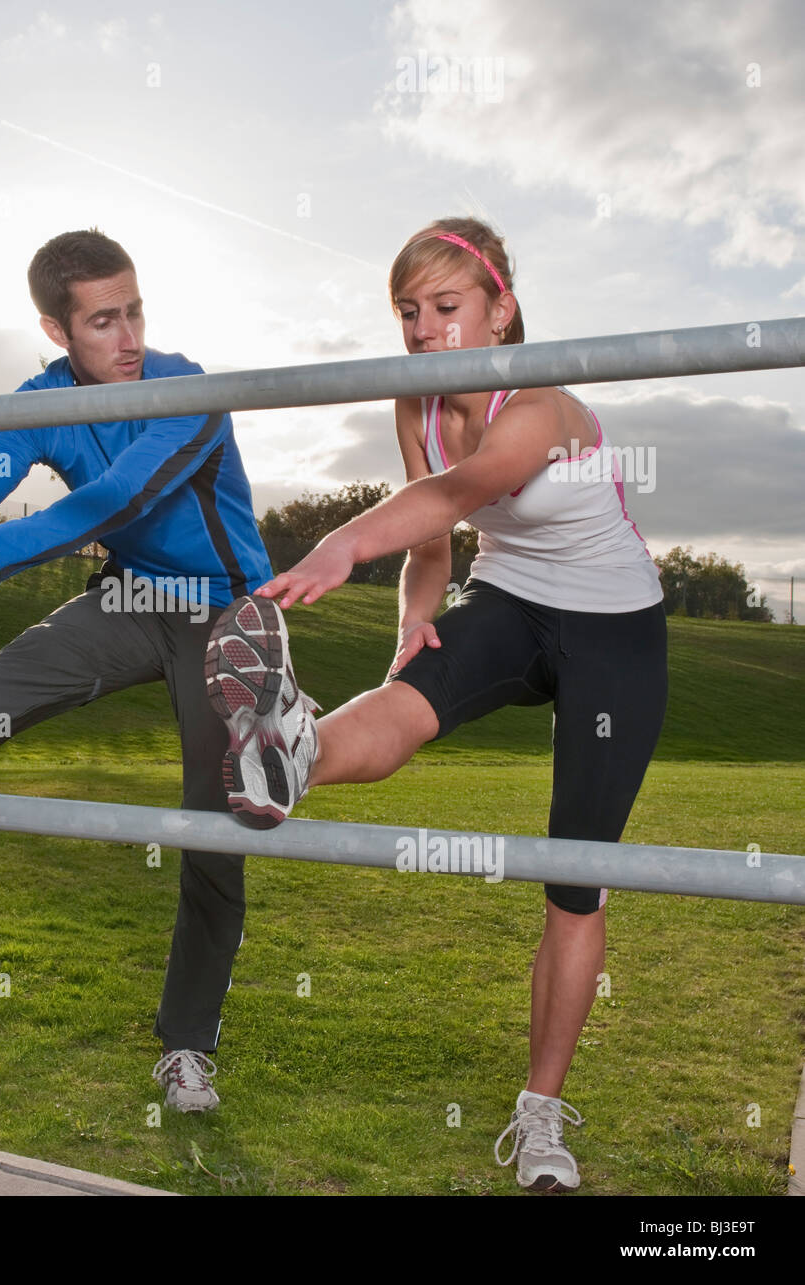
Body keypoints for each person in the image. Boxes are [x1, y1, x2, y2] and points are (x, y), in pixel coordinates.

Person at [205, 216, 667, 1191]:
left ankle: (540, 1114)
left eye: (444, 308)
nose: (422, 330)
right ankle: (287, 749)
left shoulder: (538, 400)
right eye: (407, 312)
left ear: (499, 309)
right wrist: (413, 619)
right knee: (404, 699)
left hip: (612, 629)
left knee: (572, 875)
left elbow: (467, 486)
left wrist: (340, 543)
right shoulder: (410, 405)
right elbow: (433, 540)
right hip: (507, 602)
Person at [0, 228, 273, 1112]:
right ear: (57, 329)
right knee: (33, 661)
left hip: (223, 613)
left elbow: (118, 498)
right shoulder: (43, 399)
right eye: (104, 321)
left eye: (136, 309)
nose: (130, 335)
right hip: (134, 597)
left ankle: (186, 1048)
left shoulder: (192, 391)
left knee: (213, 827)